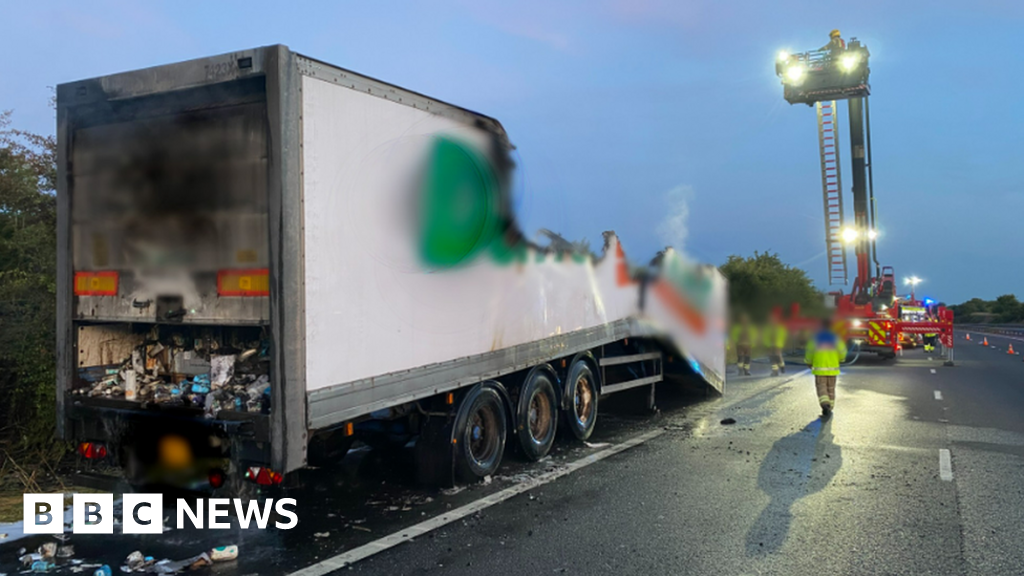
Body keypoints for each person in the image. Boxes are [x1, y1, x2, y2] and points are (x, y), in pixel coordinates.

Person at [805, 317, 847, 417]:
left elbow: (810, 352)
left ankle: (825, 405)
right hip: (833, 369)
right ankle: (830, 407)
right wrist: (841, 360)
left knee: (821, 388)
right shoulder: (835, 338)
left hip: (819, 369)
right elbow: (842, 351)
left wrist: (808, 362)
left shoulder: (816, 338)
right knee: (831, 388)